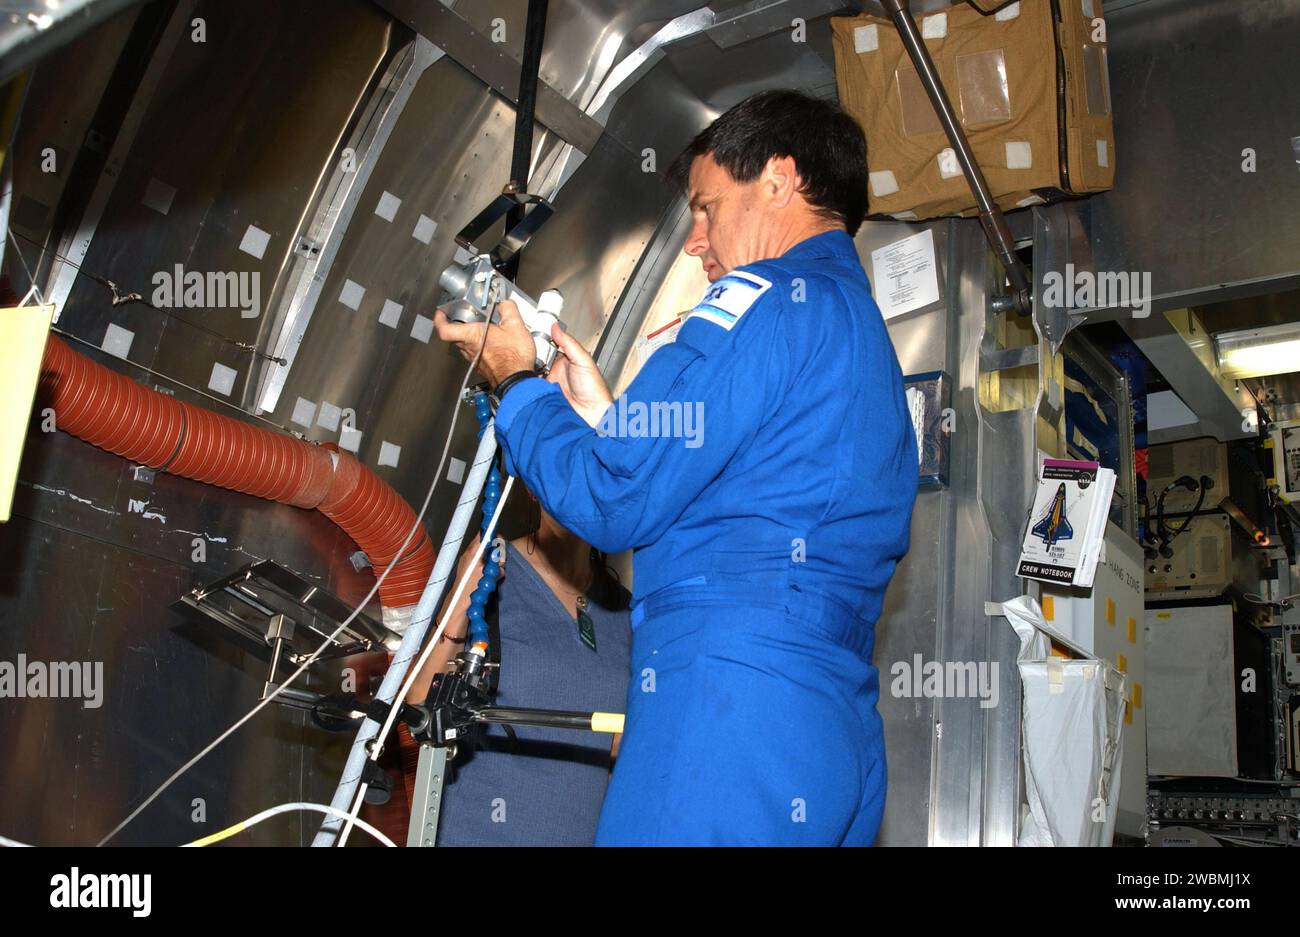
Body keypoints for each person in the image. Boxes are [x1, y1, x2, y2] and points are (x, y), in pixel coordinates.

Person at [435, 89, 917, 845]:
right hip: (832, 723)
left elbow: (610, 495)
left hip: (728, 707)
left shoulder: (758, 298)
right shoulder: (861, 340)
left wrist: (516, 383)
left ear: (779, 180)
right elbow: (733, 479)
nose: (697, 241)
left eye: (706, 206)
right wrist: (604, 422)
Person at [394, 491, 631, 846]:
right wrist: (460, 602)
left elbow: (618, 756)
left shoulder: (623, 612)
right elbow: (418, 706)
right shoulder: (493, 575)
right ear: (535, 486)